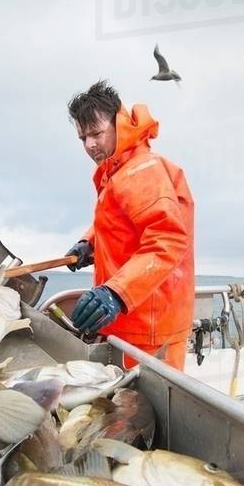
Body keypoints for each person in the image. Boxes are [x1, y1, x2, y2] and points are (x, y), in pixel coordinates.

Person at [65, 80, 194, 370]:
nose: (89, 145)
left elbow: (168, 240)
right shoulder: (117, 172)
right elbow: (122, 222)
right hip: (129, 319)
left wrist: (115, 293)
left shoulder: (141, 170)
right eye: (82, 137)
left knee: (146, 412)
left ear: (118, 124)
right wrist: (90, 242)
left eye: (96, 133)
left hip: (150, 328)